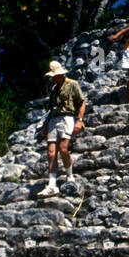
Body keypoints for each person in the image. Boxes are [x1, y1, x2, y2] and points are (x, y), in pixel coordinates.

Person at [39, 60, 85, 196]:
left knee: (63, 149)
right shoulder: (53, 89)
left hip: (67, 117)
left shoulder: (72, 84)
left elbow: (81, 103)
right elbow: (50, 109)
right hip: (53, 119)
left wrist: (79, 121)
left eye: (53, 76)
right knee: (51, 153)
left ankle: (69, 174)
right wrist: (46, 125)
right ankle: (52, 184)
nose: (52, 78)